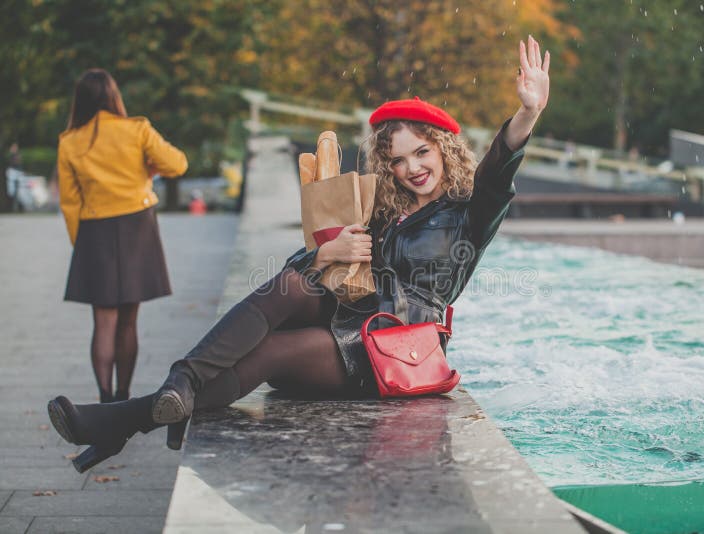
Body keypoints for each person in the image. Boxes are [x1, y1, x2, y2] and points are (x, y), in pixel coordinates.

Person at [47, 36, 551, 473]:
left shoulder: (468, 211)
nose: (411, 168)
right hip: (355, 314)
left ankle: (128, 420)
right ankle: (177, 385)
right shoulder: (384, 208)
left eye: (421, 152)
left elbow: (498, 172)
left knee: (269, 352)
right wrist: (327, 251)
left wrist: (527, 112)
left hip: (391, 348)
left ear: (443, 147)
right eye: (397, 160)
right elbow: (303, 265)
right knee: (291, 283)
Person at [56, 69, 188, 405]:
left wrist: (81, 245)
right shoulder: (137, 129)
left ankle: (104, 399)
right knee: (128, 321)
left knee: (103, 322)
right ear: (114, 96)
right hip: (137, 227)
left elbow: (70, 203)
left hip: (94, 231)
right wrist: (149, 167)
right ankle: (124, 396)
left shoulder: (69, 142)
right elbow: (178, 164)